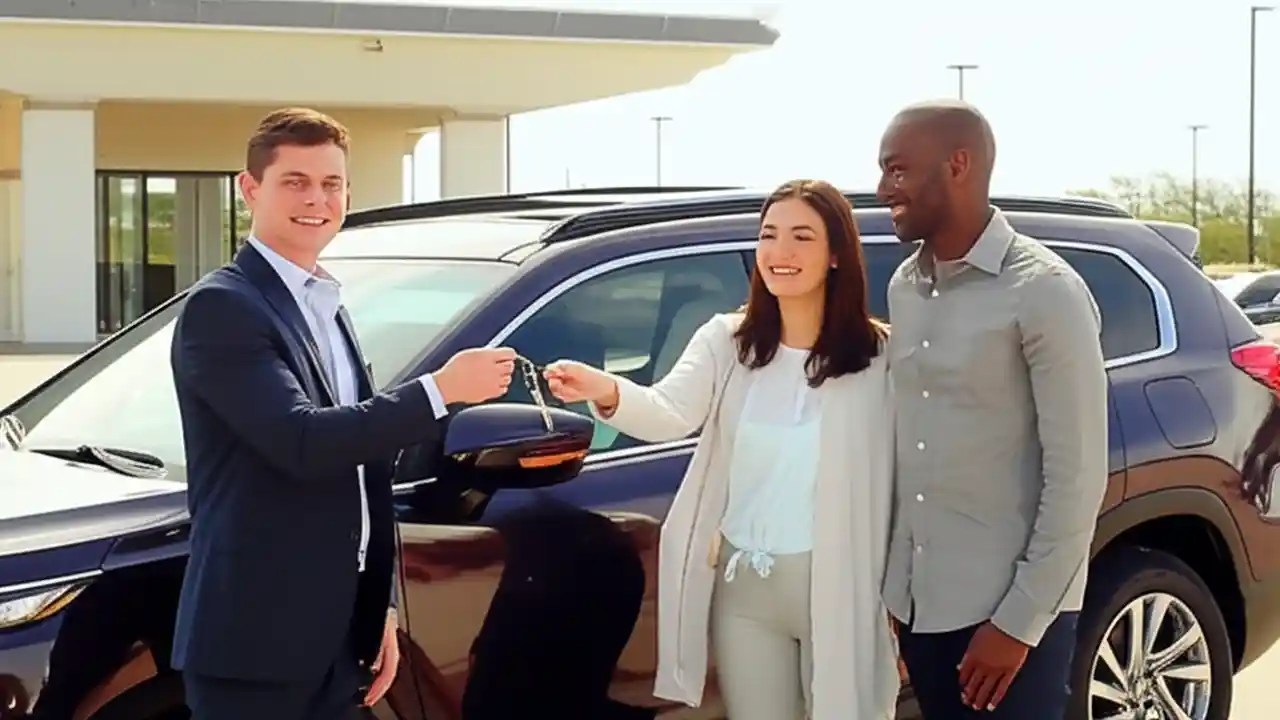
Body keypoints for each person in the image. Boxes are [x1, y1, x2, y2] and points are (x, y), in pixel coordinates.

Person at [169, 107, 516, 720]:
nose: (317, 199)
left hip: (336, 642)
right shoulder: (224, 307)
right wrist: (441, 390)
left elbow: (363, 471)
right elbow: (302, 441)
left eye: (331, 184)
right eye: (295, 181)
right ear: (249, 189)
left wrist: (376, 606)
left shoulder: (325, 301)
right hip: (255, 646)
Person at [542, 179, 901, 720]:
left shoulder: (881, 358)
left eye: (802, 237)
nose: (781, 252)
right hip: (745, 591)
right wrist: (606, 390)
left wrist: (898, 601)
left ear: (835, 255)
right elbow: (669, 412)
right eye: (769, 235)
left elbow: (907, 481)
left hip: (842, 588)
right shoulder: (727, 342)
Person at [876, 99, 1109, 719]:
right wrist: (898, 598)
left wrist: (1019, 623)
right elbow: (912, 450)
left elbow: (1079, 478)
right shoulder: (906, 285)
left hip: (1007, 620)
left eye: (897, 171)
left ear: (959, 165)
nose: (882, 190)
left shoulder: (1044, 292)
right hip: (922, 609)